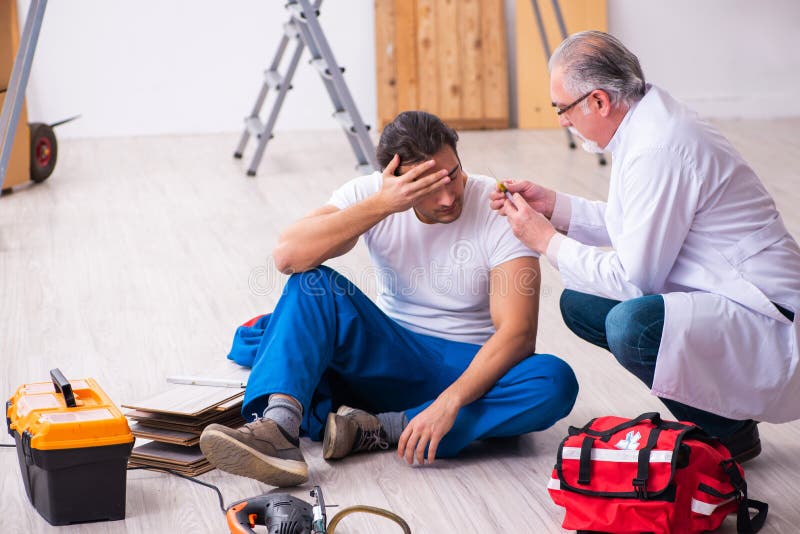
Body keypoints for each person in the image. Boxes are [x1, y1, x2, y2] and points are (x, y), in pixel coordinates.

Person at [200, 111, 578, 487]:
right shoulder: (372, 196)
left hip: (466, 366)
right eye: (427, 188)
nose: (448, 197)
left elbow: (517, 333)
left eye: (452, 176)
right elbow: (288, 255)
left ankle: (383, 427)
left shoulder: (497, 206)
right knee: (311, 284)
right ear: (395, 181)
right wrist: (382, 206)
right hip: (389, 353)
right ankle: (278, 431)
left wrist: (449, 403)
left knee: (553, 381)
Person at [491, 30, 800, 462]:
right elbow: (632, 224)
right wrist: (555, 207)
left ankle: (724, 431)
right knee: (579, 302)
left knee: (629, 324)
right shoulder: (643, 122)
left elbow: (635, 280)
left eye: (562, 108)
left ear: (598, 101)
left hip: (768, 311)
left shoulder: (659, 146)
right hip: (718, 287)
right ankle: (725, 426)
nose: (562, 120)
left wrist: (545, 239)